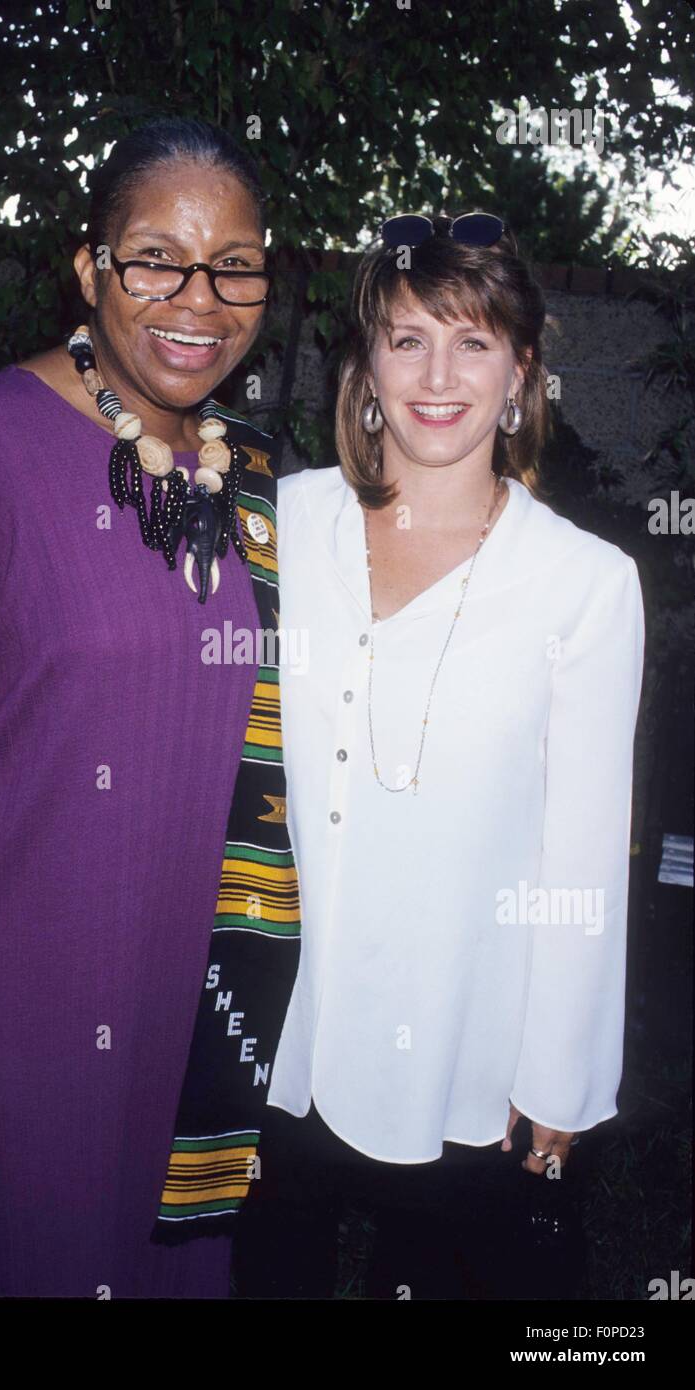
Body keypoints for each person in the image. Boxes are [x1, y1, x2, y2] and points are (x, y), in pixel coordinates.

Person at [0, 117, 292, 1298]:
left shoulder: (259, 484)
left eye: (234, 263)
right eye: (154, 258)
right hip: (1, 1032)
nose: (199, 296)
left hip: (197, 1037)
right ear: (88, 271)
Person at [233, 213, 645, 1300]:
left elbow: (583, 858)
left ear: (519, 373)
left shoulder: (584, 584)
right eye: (407, 338)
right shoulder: (280, 524)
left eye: (471, 343)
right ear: (365, 368)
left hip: (471, 1044)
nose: (437, 374)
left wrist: (559, 1075)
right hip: (286, 1034)